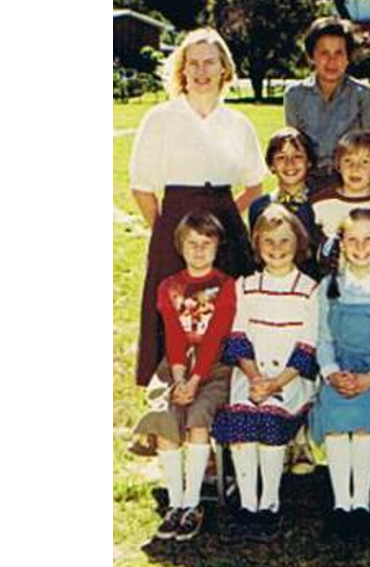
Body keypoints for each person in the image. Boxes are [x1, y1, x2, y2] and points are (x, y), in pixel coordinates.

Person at [129, 27, 264, 387]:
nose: (202, 71)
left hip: (224, 226)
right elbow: (142, 188)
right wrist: (167, 234)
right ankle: (166, 401)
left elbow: (254, 185)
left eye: (210, 63)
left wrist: (223, 220)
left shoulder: (237, 124)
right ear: (182, 70)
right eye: (194, 64)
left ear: (225, 69)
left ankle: (223, 394)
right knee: (172, 311)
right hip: (175, 222)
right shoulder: (161, 118)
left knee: (225, 312)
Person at [211, 204, 320, 542]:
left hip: (290, 377)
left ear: (298, 244)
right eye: (268, 241)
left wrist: (275, 382)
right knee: (244, 423)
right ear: (256, 245)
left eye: (284, 241)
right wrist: (255, 377)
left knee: (270, 421)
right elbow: (238, 335)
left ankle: (270, 504)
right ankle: (248, 505)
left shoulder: (309, 289)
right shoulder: (245, 287)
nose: (276, 249)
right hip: (252, 374)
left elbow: (307, 344)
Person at [131, 212, 236, 542]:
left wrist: (194, 381)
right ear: (180, 247)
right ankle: (175, 502)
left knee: (197, 416)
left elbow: (217, 334)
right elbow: (174, 335)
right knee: (165, 416)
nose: (199, 250)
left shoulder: (226, 286)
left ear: (217, 247)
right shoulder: (169, 287)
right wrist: (178, 377)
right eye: (192, 244)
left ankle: (193, 504)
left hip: (214, 366)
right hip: (176, 366)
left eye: (207, 244)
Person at [309, 208, 370, 541]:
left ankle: (361, 505)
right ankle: (341, 505)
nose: (360, 247)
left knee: (362, 417)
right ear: (342, 244)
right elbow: (323, 340)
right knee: (335, 414)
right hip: (339, 376)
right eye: (352, 240)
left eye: (368, 240)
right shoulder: (330, 287)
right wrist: (332, 373)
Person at [284, 16, 370, 194]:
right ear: (312, 57)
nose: (332, 61)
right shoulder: (295, 95)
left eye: (339, 53)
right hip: (306, 185)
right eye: (324, 53)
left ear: (348, 58)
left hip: (350, 184)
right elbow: (294, 149)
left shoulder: (364, 95)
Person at [310, 131, 370, 280]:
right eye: (348, 161)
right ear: (338, 165)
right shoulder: (318, 205)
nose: (356, 168)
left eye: (365, 162)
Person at [248, 127, 322, 279]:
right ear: (271, 165)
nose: (290, 164)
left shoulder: (321, 204)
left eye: (298, 156)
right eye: (281, 157)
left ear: (309, 162)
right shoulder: (259, 207)